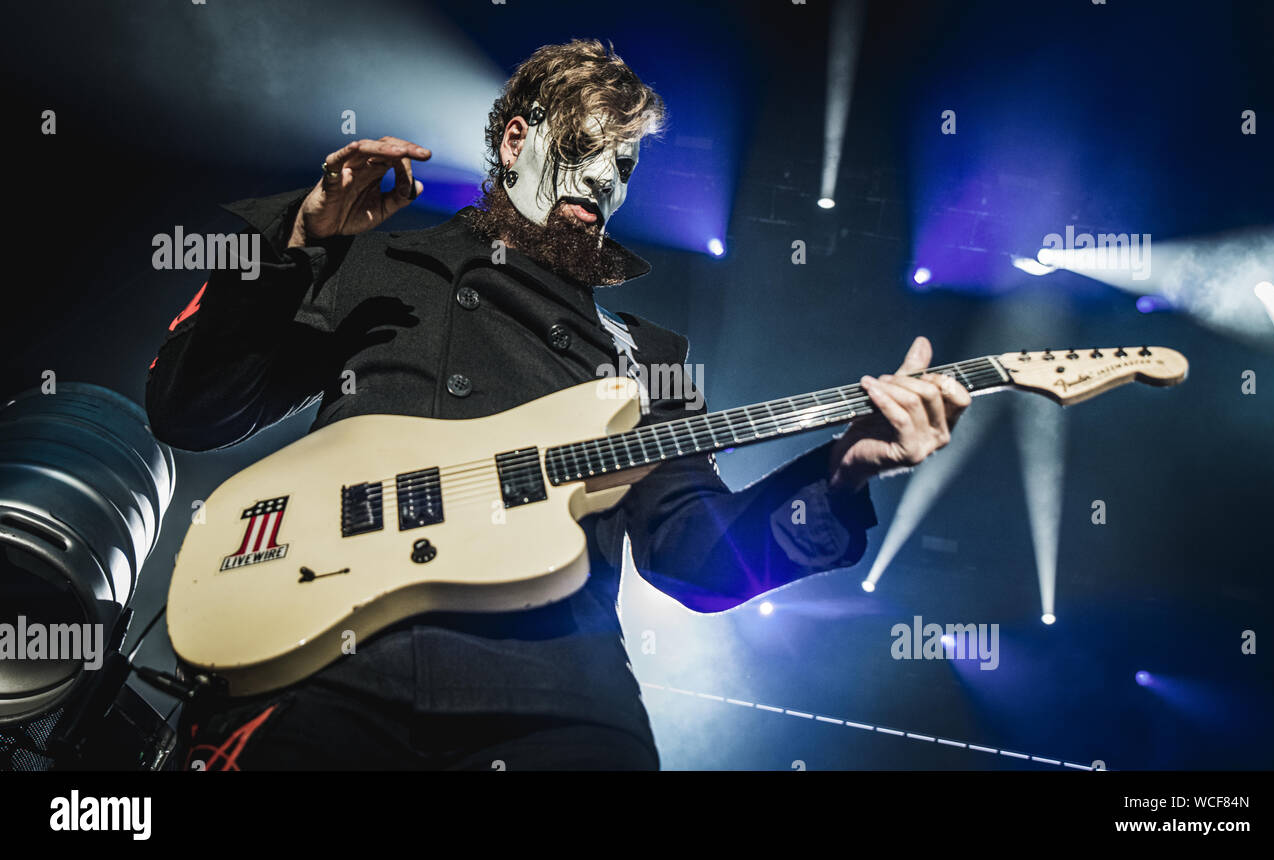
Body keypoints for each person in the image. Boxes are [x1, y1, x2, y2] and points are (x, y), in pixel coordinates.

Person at [146, 39, 970, 770]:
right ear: (517, 141)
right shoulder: (377, 260)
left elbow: (694, 555)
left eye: (626, 166)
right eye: (586, 149)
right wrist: (299, 240)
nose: (606, 180)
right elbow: (192, 410)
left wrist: (839, 478)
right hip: (326, 666)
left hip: (553, 697)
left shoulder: (647, 356)